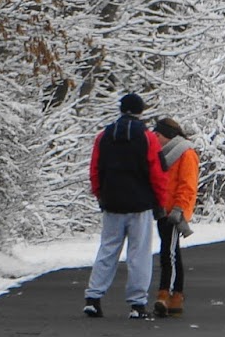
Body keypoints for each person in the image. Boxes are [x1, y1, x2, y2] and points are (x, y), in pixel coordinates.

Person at [84, 92, 171, 320]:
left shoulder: (104, 136)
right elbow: (158, 173)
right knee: (139, 254)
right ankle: (137, 303)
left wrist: (100, 195)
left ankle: (93, 297)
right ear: (141, 111)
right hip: (140, 204)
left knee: (107, 249)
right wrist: (160, 202)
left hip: (112, 202)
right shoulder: (148, 138)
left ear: (121, 109)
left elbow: (95, 169)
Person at [151, 116, 199, 317]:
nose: (155, 137)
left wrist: (179, 208)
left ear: (167, 135)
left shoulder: (186, 153)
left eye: (158, 134)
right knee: (172, 252)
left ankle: (166, 293)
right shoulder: (161, 154)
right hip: (163, 210)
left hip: (174, 211)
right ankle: (176, 296)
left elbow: (188, 184)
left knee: (168, 253)